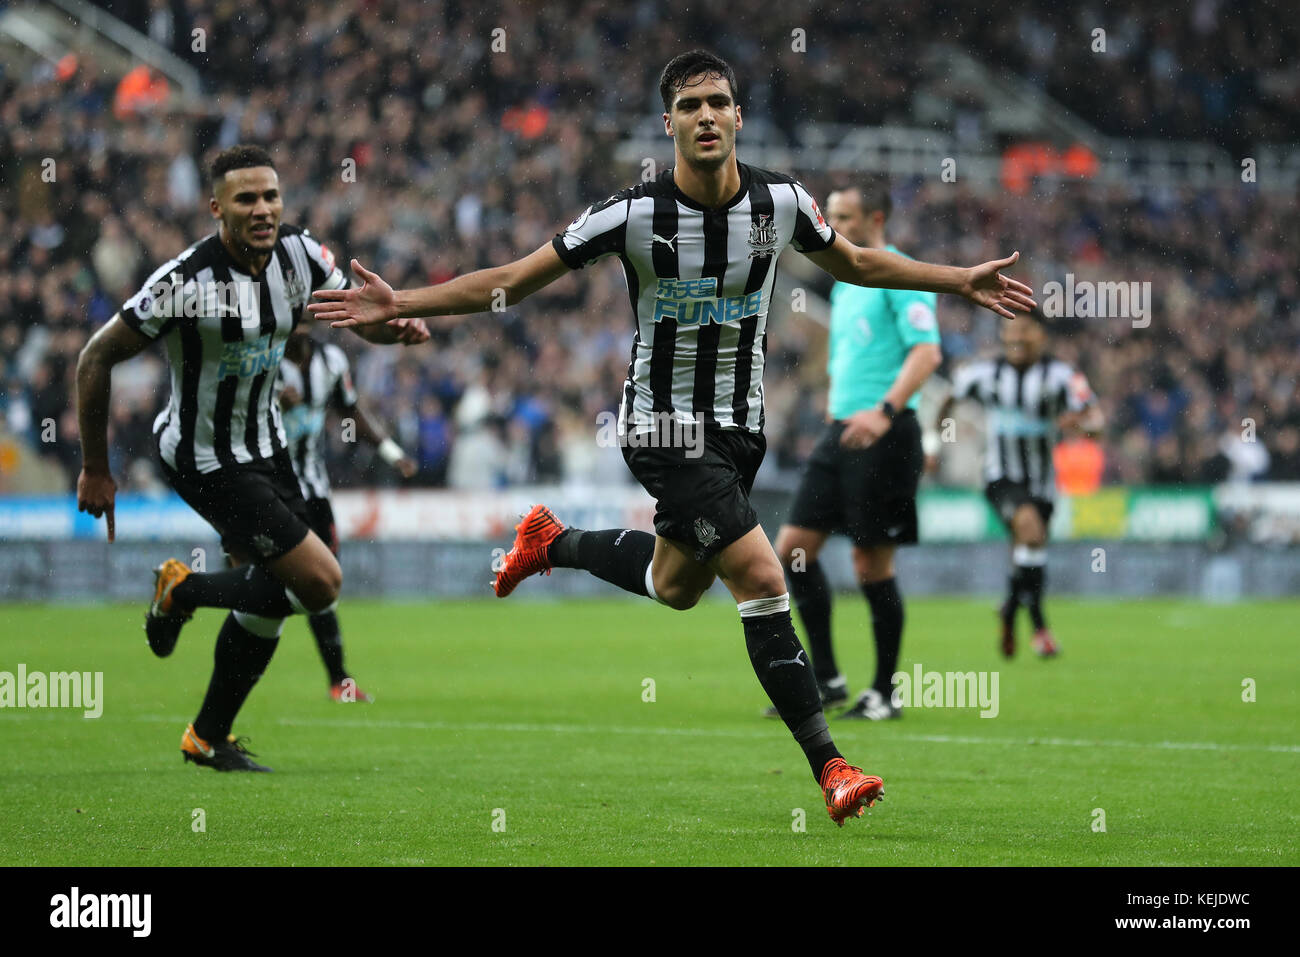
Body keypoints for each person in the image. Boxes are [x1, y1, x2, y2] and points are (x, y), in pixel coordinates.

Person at [310, 51, 1035, 824]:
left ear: (738, 116)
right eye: (689, 106)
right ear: (669, 124)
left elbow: (854, 261)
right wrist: (401, 302)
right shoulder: (630, 215)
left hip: (737, 430)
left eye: (718, 102)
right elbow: (513, 281)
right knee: (761, 573)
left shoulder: (782, 203)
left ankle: (551, 541)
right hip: (660, 425)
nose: (706, 116)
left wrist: (959, 279)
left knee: (676, 586)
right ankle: (832, 766)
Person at [76, 144, 428, 771]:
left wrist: (391, 329)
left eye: (270, 196)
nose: (262, 210)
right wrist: (97, 467)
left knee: (270, 599)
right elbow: (95, 357)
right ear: (217, 208)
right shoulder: (186, 282)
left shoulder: (300, 255)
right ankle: (181, 592)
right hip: (202, 457)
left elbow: (356, 317)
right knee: (319, 582)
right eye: (246, 199)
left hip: (267, 449)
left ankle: (207, 737)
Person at [770, 177, 942, 722]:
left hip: (886, 435)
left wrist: (883, 410)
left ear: (875, 221)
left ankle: (885, 693)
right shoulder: (845, 284)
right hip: (840, 431)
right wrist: (839, 398)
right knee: (792, 550)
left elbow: (926, 354)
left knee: (870, 561)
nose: (833, 228)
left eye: (844, 219)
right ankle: (826, 679)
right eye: (831, 217)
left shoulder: (898, 274)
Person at [935, 309, 1102, 658]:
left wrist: (1082, 425)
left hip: (1043, 482)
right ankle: (1030, 623)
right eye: (1009, 330)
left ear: (1041, 335)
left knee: (1030, 552)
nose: (1016, 337)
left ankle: (1018, 615)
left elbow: (1096, 419)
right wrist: (933, 443)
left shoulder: (1063, 375)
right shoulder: (985, 372)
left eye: (1025, 329)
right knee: (1030, 531)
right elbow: (949, 397)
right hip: (1001, 476)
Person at [276, 324, 418, 702]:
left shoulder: (332, 360)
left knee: (325, 581)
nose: (303, 312)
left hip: (314, 491)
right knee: (276, 583)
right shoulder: (261, 359)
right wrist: (270, 403)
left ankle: (339, 681)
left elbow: (349, 413)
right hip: (268, 490)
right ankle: (192, 593)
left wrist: (390, 453)